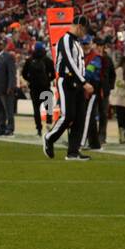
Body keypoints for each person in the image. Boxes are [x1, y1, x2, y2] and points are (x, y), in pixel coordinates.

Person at [44, 19, 92, 161]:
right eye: (84, 30)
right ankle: (49, 137)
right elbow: (70, 62)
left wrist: (83, 81)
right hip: (67, 81)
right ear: (79, 27)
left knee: (79, 117)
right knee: (68, 115)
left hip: (77, 83)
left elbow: (79, 65)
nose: (84, 34)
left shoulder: (76, 42)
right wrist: (84, 82)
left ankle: (73, 151)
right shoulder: (65, 39)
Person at [22, 42, 54, 136]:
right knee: (49, 107)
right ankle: (48, 124)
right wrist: (48, 80)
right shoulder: (48, 60)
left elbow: (24, 74)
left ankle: (39, 129)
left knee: (36, 110)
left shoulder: (30, 60)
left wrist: (30, 80)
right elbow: (53, 74)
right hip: (45, 88)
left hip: (34, 89)